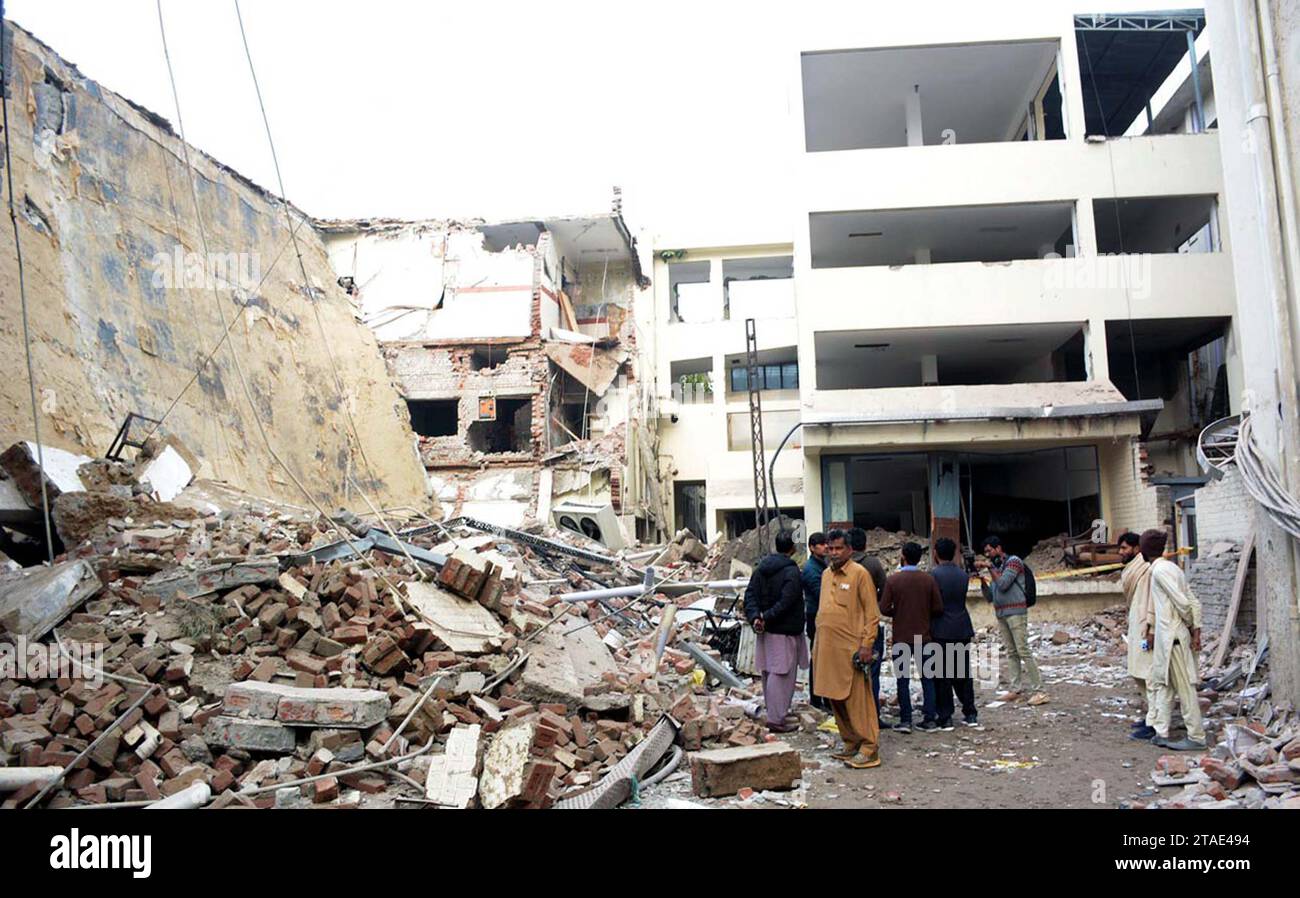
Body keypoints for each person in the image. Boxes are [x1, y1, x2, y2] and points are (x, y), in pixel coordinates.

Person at [812, 529, 882, 769]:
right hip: (827, 649)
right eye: (830, 549)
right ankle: (850, 742)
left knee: (857, 700)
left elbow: (873, 615)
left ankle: (869, 747)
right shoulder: (824, 575)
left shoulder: (860, 574)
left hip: (852, 650)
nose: (833, 553)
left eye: (838, 548)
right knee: (835, 697)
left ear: (850, 550)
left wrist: (866, 645)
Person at [1140, 529, 1207, 751]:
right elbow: (1193, 600)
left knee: (1185, 689)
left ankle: (1196, 737)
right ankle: (1161, 731)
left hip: (1173, 639)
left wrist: (1189, 627)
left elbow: (1184, 604)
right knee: (1163, 685)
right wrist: (1195, 630)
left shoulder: (1159, 571)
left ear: (1144, 550)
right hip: (1167, 640)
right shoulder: (1171, 568)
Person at [743, 530, 810, 733]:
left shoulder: (760, 570)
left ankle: (775, 713)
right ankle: (776, 718)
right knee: (782, 674)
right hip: (784, 630)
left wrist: (757, 617)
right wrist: (766, 616)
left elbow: (750, 596)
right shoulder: (791, 572)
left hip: (766, 630)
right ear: (792, 548)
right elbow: (787, 601)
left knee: (769, 673)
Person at [879, 541, 943, 732]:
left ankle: (906, 719)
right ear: (919, 558)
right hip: (923, 637)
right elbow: (938, 607)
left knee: (902, 679)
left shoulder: (893, 580)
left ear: (903, 557)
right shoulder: (928, 579)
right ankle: (929, 718)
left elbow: (883, 608)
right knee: (927, 678)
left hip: (901, 637)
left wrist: (898, 613)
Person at [976, 535, 1044, 700]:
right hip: (1002, 613)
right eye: (985, 553)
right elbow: (991, 596)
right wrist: (982, 581)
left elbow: (1004, 584)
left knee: (1023, 650)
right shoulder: (996, 567)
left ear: (998, 548)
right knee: (1011, 652)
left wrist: (990, 567)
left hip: (1016, 612)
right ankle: (1015, 688)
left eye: (989, 551)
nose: (987, 555)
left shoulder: (1013, 562)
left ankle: (1039, 690)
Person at [930, 537, 979, 728]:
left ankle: (945, 715)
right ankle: (970, 712)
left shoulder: (933, 576)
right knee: (962, 672)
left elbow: (934, 604)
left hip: (941, 629)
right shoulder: (962, 575)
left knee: (941, 675)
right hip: (961, 627)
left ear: (936, 553)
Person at [1117, 532, 1157, 741]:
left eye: (1124, 548)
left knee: (1149, 674)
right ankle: (1151, 714)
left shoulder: (1148, 570)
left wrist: (1150, 629)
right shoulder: (1133, 569)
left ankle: (1156, 722)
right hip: (1135, 625)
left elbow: (1152, 601)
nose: (1120, 552)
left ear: (1136, 549)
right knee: (1137, 672)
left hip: (1146, 629)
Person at [848, 527, 889, 723]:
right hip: (869, 625)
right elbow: (885, 589)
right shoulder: (873, 564)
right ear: (865, 544)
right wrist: (874, 602)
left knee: (849, 672)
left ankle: (853, 717)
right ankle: (873, 717)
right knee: (872, 672)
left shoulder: (841, 567)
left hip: (847, 627)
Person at [801, 531, 830, 711]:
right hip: (815, 616)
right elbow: (821, 594)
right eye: (821, 544)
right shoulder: (811, 568)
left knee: (824, 658)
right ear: (812, 547)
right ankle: (817, 699)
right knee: (819, 658)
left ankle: (824, 697)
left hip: (820, 615)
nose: (825, 547)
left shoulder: (822, 564)